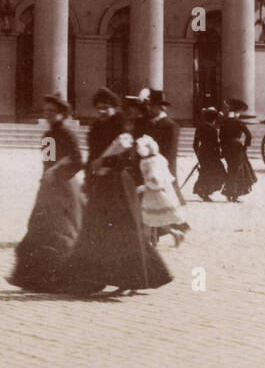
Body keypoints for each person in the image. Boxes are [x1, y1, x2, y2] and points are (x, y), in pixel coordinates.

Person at [61, 90, 173, 294]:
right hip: (99, 184)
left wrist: (106, 162)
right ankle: (89, 279)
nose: (103, 111)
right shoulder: (96, 126)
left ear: (114, 107)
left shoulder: (121, 124)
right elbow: (92, 154)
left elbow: (126, 150)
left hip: (118, 184)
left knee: (124, 232)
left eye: (107, 107)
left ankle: (130, 279)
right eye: (100, 107)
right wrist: (90, 175)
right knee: (94, 229)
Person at [8, 94, 84, 292]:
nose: (48, 115)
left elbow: (77, 160)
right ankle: (36, 277)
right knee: (41, 228)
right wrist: (47, 176)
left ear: (62, 114)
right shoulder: (48, 136)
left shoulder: (67, 134)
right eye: (46, 111)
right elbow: (47, 162)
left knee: (62, 230)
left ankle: (65, 278)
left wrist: (57, 171)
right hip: (49, 187)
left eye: (52, 112)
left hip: (65, 188)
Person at [136, 134, 189, 247]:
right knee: (157, 219)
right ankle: (176, 234)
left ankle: (146, 246)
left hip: (155, 194)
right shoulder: (157, 158)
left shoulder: (151, 162)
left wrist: (143, 188)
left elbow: (157, 181)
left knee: (148, 220)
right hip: (155, 193)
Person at [132, 88, 181, 201]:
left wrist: (156, 171)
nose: (148, 108)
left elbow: (170, 155)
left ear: (160, 107)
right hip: (146, 174)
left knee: (169, 210)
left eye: (152, 105)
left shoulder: (171, 126)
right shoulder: (147, 123)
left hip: (162, 173)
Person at [218, 99, 257, 201]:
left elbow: (221, 137)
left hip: (227, 147)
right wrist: (245, 147)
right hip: (237, 148)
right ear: (236, 113)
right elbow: (249, 136)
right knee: (236, 171)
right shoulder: (239, 122)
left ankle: (229, 193)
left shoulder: (224, 122)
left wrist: (223, 148)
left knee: (230, 169)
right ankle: (233, 194)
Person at [192, 106, 227, 201]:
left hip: (203, 153)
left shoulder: (200, 127)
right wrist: (220, 154)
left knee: (206, 172)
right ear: (213, 118)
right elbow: (215, 144)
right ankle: (204, 192)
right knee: (220, 173)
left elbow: (195, 144)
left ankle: (203, 191)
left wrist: (198, 155)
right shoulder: (213, 129)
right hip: (212, 154)